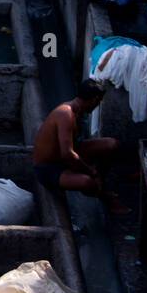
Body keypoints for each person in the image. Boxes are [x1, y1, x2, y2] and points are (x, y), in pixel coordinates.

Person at [32, 79, 128, 213]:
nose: (97, 105)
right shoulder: (66, 114)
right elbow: (67, 154)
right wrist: (90, 171)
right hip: (49, 168)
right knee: (88, 182)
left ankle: (101, 182)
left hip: (65, 157)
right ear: (94, 100)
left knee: (112, 145)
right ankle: (105, 196)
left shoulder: (78, 112)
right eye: (98, 102)